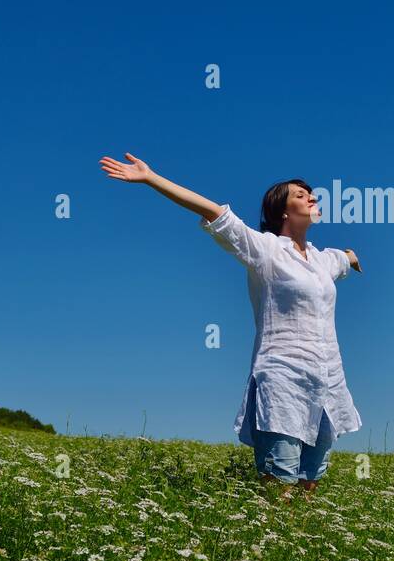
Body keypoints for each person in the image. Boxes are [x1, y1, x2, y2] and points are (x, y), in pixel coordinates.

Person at [99, 153, 362, 501]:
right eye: (300, 195)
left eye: (311, 194)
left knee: (312, 477)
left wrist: (354, 258)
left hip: (328, 379)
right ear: (282, 212)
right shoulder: (266, 249)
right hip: (282, 373)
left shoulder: (323, 259)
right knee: (281, 477)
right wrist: (151, 178)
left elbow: (348, 257)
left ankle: (301, 538)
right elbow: (211, 211)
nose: (311, 198)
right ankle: (271, 538)